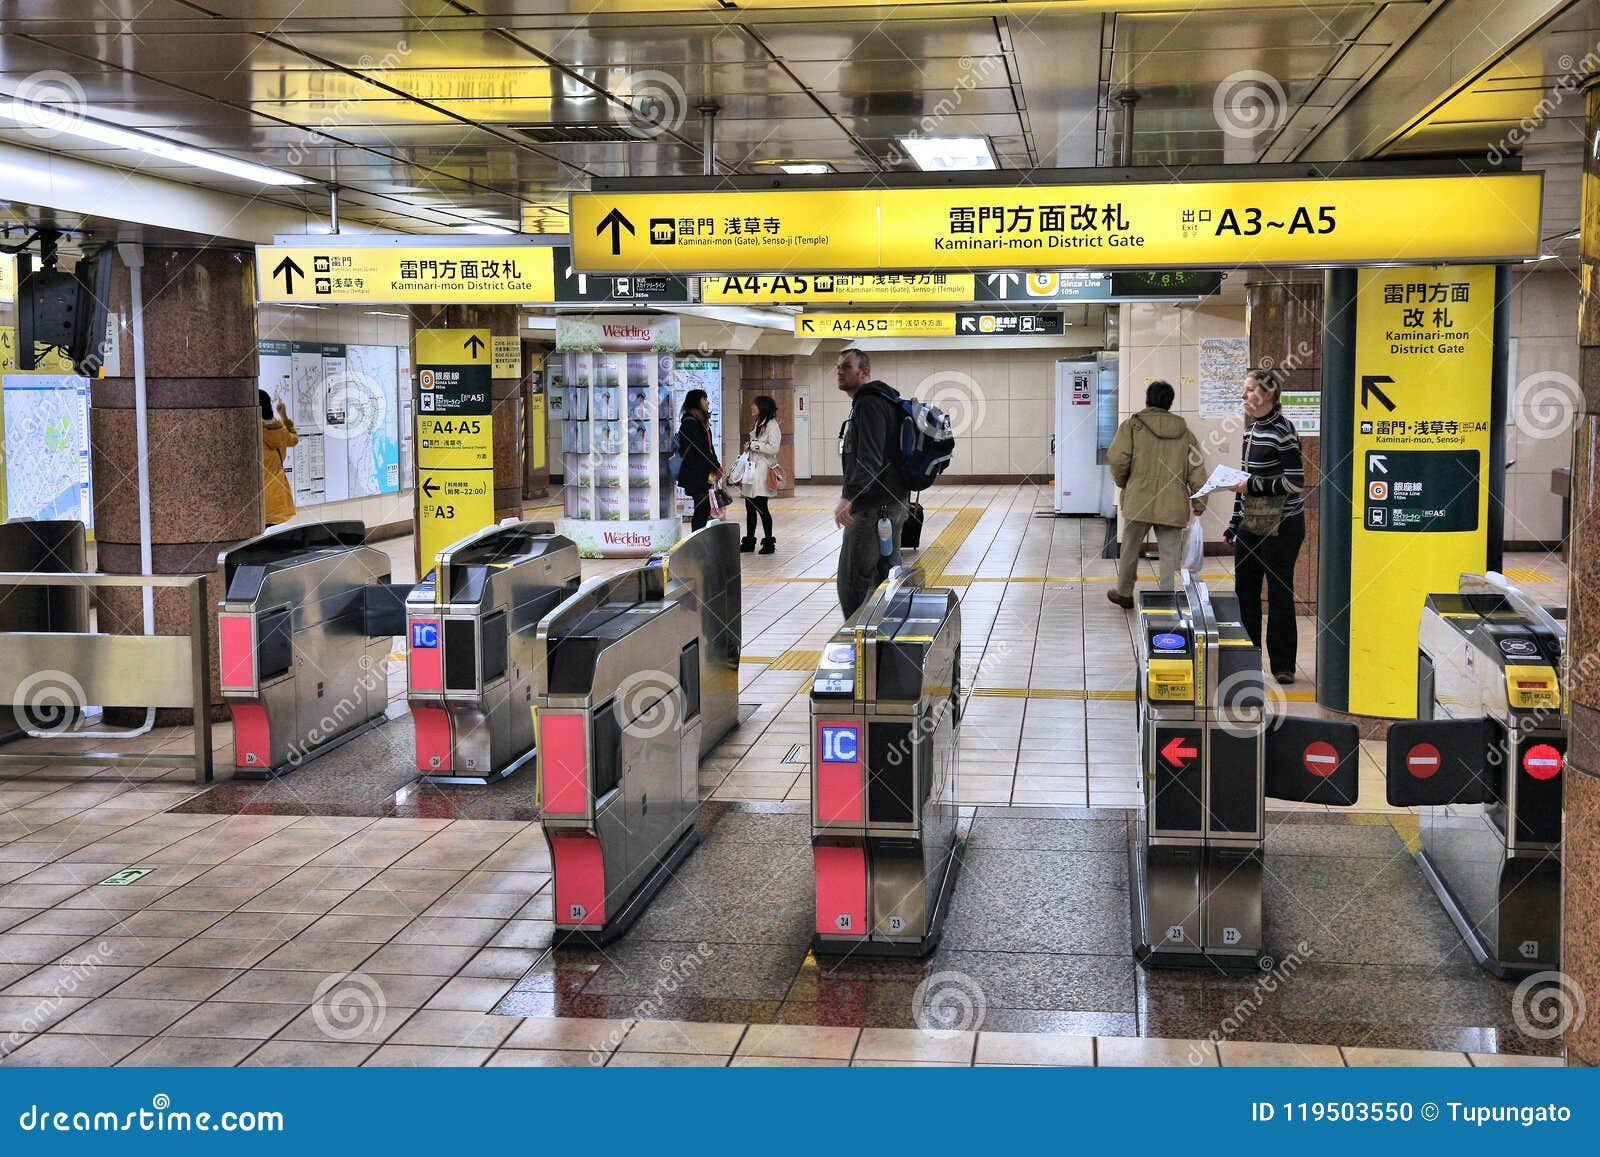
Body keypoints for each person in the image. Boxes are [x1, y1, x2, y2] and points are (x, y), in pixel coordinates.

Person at [1225, 368, 1306, 684]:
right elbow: (1244, 480)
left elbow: (1295, 482)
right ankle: (1248, 658)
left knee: (1279, 593)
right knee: (1244, 592)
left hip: (1283, 525)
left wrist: (1253, 486)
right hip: (1252, 523)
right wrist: (1234, 523)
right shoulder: (1250, 431)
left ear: (1268, 394)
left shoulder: (1283, 431)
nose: (1243, 396)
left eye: (1248, 390)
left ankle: (1283, 666)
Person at [1106, 379, 1209, 608]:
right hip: (1172, 502)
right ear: (1170, 403)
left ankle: (1124, 593)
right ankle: (1166, 598)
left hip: (1138, 499)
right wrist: (1200, 502)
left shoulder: (1133, 426)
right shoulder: (1185, 433)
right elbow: (1197, 470)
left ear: (1147, 400)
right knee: (1170, 554)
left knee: (1130, 549)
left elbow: (1117, 458)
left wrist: (1126, 483)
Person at [834, 348, 910, 619]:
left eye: (846, 367)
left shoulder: (868, 403)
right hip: (893, 502)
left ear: (864, 372)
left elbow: (870, 458)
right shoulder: (885, 400)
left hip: (873, 508)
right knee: (886, 576)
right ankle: (884, 640)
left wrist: (848, 497)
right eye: (839, 367)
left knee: (852, 580)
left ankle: (857, 640)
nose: (840, 372)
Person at [740, 394, 783, 555]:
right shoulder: (758, 423)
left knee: (762, 507)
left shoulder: (772, 426)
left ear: (762, 407)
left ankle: (769, 542)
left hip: (763, 470)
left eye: (755, 405)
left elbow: (774, 448)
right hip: (752, 470)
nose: (752, 407)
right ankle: (749, 541)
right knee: (749, 507)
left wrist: (754, 445)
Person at [676, 388, 721, 531]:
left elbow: (709, 447)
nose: (707, 402)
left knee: (703, 508)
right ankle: (696, 539)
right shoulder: (689, 423)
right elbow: (701, 448)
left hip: (704, 471)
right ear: (696, 401)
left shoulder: (701, 422)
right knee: (703, 507)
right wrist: (716, 465)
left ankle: (699, 538)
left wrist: (716, 465)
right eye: (704, 399)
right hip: (694, 473)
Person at [260, 389, 299, 527]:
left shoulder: (254, 433)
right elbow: (294, 440)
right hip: (279, 496)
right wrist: (284, 415)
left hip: (261, 502)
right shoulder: (280, 429)